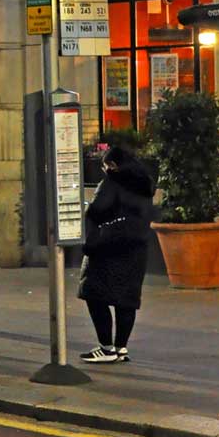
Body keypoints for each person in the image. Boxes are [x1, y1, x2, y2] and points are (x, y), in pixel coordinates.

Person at [78, 145, 155, 364]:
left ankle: (106, 347)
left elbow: (96, 212)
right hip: (136, 248)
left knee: (94, 294)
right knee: (126, 300)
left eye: (105, 166)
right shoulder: (144, 184)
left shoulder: (112, 182)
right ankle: (121, 347)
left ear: (112, 165)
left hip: (108, 247)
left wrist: (89, 235)